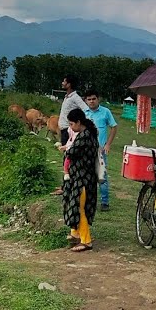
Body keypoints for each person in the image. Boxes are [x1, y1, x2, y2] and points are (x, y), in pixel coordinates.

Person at [59, 108, 99, 252]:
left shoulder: (84, 136)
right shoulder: (88, 133)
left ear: (78, 122)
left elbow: (72, 152)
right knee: (76, 205)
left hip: (83, 179)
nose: (70, 127)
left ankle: (86, 241)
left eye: (71, 124)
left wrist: (65, 149)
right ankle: (76, 233)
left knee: (79, 208)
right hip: (82, 178)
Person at [83, 90, 118, 210]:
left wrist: (108, 144)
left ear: (98, 99)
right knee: (87, 177)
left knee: (102, 177)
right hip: (86, 151)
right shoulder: (84, 113)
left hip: (100, 151)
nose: (91, 101)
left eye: (93, 99)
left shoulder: (105, 112)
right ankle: (89, 201)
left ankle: (105, 202)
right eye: (89, 99)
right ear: (85, 101)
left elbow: (114, 127)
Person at [58, 76, 89, 146]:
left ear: (69, 84)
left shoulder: (75, 97)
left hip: (69, 130)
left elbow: (86, 110)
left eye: (64, 81)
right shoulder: (67, 97)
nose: (62, 83)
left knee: (69, 153)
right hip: (63, 130)